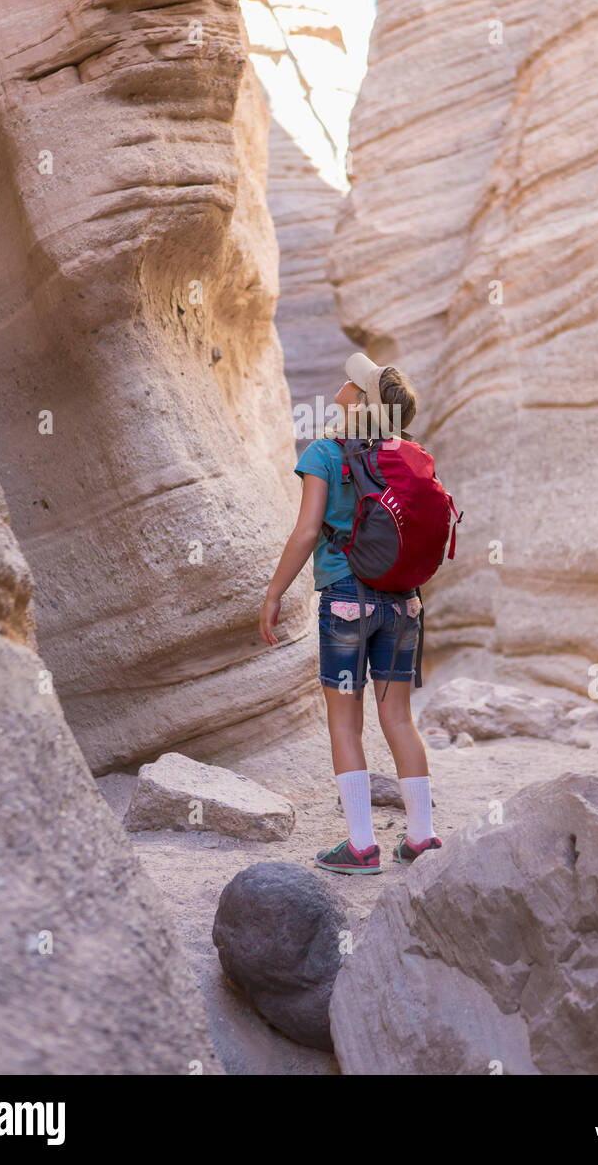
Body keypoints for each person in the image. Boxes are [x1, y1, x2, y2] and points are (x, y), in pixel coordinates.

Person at [259, 351, 442, 874]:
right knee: (399, 719)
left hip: (345, 602)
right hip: (404, 602)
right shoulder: (409, 457)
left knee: (346, 725)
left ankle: (361, 846)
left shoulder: (324, 453)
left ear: (361, 404)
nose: (345, 382)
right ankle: (422, 838)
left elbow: (308, 531)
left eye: (355, 383)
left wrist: (275, 593)